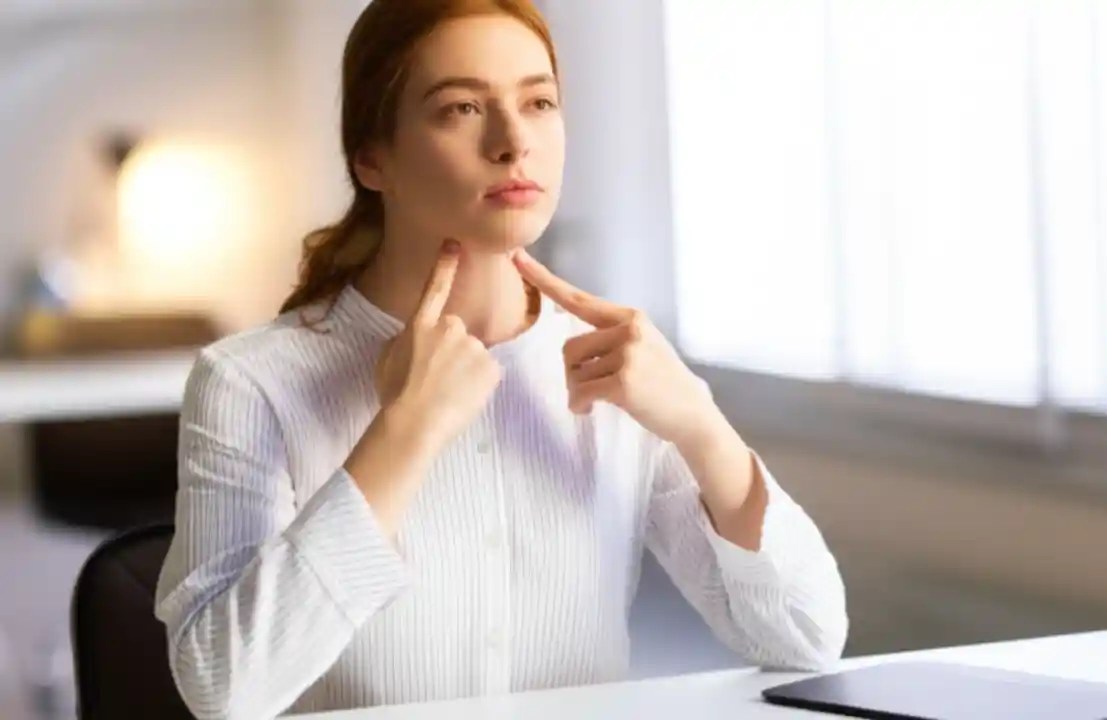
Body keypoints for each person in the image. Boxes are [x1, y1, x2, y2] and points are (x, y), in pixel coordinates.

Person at [153, 1, 848, 717]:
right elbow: (224, 691)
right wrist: (403, 435)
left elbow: (807, 639)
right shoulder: (248, 382)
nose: (514, 142)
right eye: (459, 108)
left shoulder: (620, 368)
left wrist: (702, 427)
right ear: (372, 157)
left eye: (539, 101)